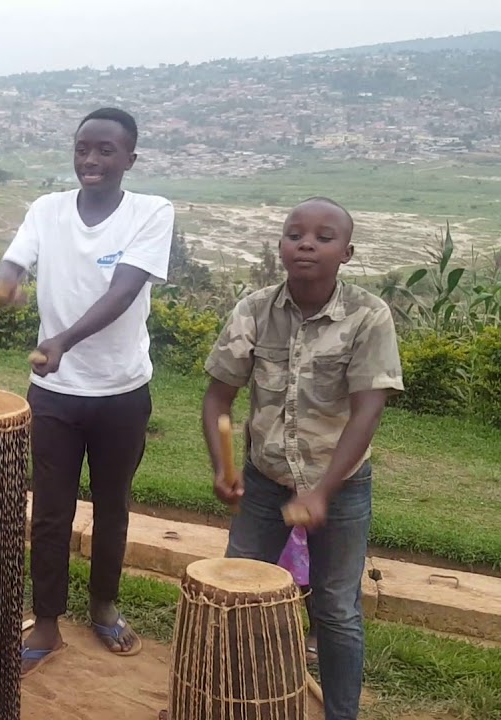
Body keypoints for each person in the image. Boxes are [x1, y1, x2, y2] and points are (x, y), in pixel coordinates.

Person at [202, 197, 401, 720]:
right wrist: (223, 465)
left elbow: (367, 413)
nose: (307, 243)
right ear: (282, 247)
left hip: (342, 485)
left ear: (347, 253)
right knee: (237, 593)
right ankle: (226, 702)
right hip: (264, 482)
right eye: (295, 234)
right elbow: (217, 398)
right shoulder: (254, 310)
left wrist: (321, 492)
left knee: (335, 608)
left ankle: (341, 714)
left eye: (323, 236)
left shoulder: (368, 316)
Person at [0, 107, 173, 671]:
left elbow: (123, 291)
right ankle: (46, 622)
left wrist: (63, 339)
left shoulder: (151, 211)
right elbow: (13, 262)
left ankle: (103, 608)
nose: (90, 160)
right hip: (55, 392)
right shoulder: (47, 209)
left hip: (121, 392)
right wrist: (5, 282)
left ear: (129, 159)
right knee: (49, 510)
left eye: (105, 150)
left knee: (113, 506)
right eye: (82, 149)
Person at [278, 526, 318, 662]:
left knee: (307, 570)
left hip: (310, 517)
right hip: (280, 513)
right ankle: (276, 626)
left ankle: (316, 629)